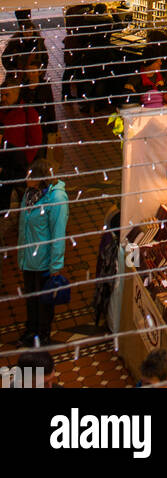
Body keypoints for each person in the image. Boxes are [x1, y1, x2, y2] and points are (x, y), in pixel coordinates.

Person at [18, 154, 68, 347]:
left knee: (43, 300)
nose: (26, 179)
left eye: (30, 176)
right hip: (28, 259)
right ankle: (31, 329)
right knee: (31, 297)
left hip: (44, 261)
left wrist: (56, 265)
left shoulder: (56, 198)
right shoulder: (29, 194)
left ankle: (42, 334)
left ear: (41, 178)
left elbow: (58, 233)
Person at [0, 76, 42, 214]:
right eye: (1, 95)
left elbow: (35, 141)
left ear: (17, 95)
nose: (3, 98)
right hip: (3, 166)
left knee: (24, 197)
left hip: (19, 166)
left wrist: (25, 161)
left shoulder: (28, 113)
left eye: (7, 95)